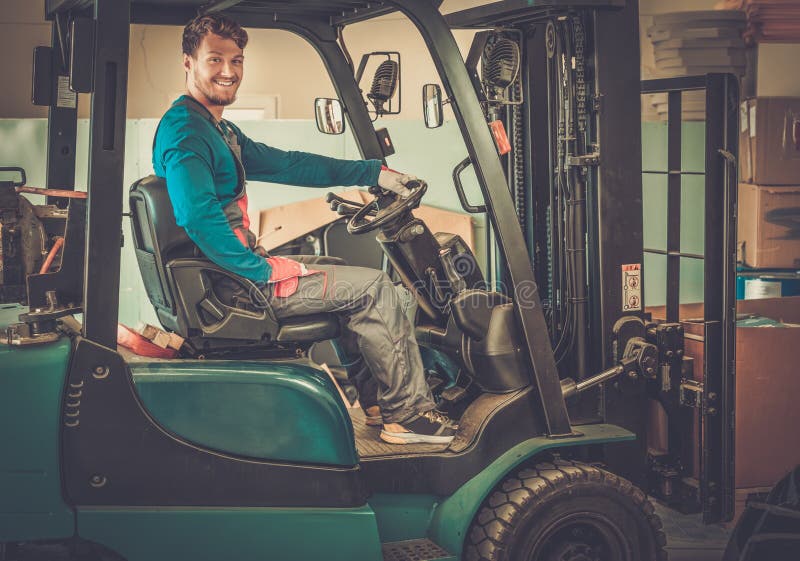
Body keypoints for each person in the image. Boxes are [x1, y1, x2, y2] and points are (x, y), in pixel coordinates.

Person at [151, 13, 457, 445]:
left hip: (229, 274)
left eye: (236, 60)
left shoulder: (215, 128)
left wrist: (374, 172)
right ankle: (408, 415)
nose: (228, 71)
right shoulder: (186, 131)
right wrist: (259, 272)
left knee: (336, 267)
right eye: (214, 59)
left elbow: (290, 163)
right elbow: (196, 215)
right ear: (189, 62)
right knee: (376, 289)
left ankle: (375, 403)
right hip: (231, 284)